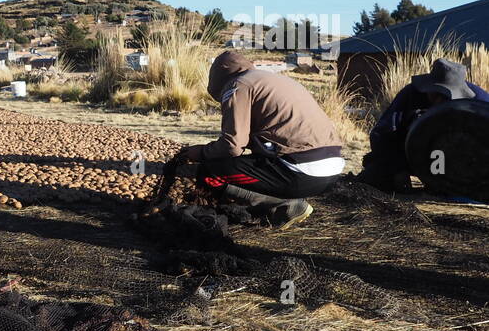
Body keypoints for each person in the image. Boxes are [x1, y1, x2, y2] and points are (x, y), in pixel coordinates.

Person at [177, 51, 344, 227]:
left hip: (302, 172)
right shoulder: (273, 80)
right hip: (331, 171)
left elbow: (232, 146)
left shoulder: (237, 85)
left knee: (210, 172)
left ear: (218, 80)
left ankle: (283, 205)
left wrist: (201, 152)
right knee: (249, 165)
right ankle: (285, 196)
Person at [358, 58, 489, 191]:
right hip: (409, 155)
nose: (438, 100)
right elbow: (382, 134)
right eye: (435, 93)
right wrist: (398, 169)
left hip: (458, 159)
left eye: (445, 96)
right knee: (372, 178)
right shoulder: (410, 94)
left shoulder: (479, 102)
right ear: (427, 86)